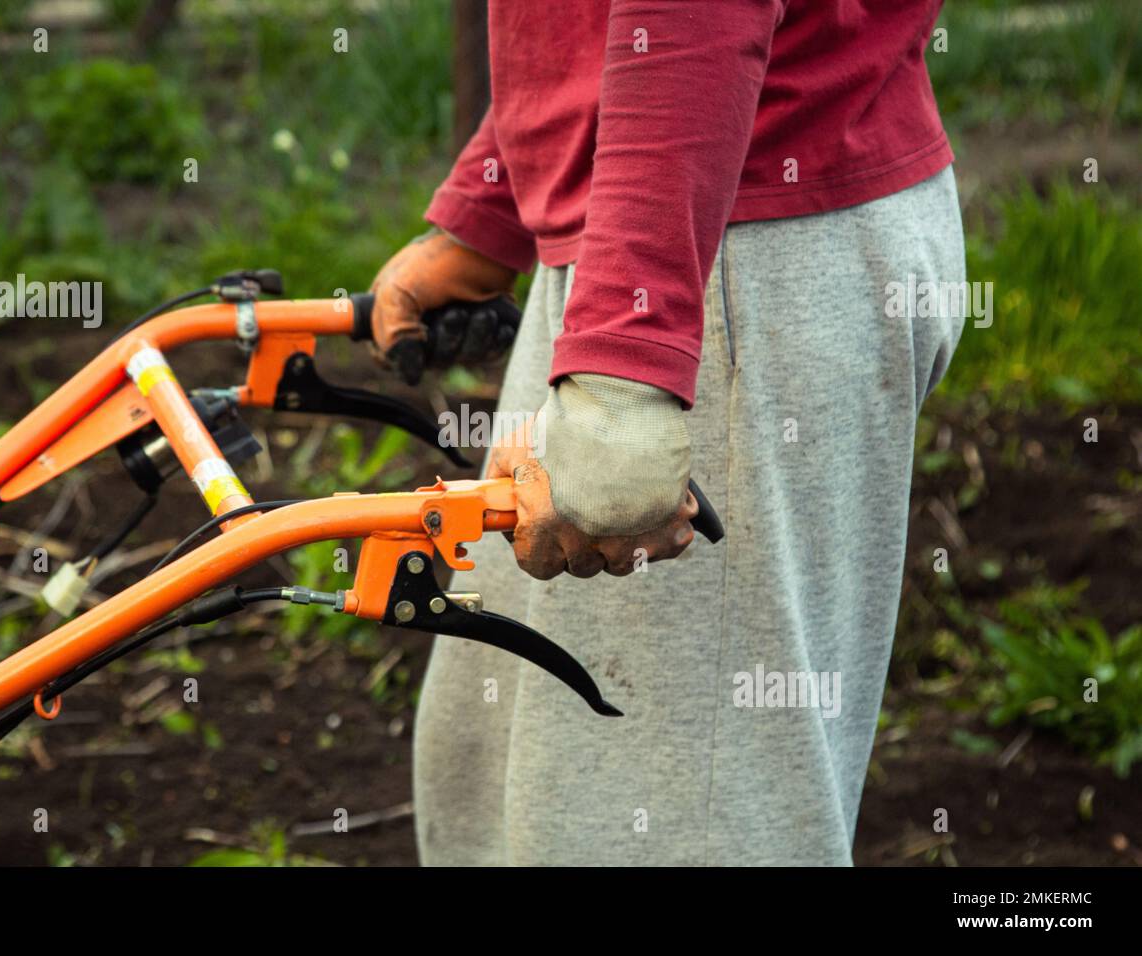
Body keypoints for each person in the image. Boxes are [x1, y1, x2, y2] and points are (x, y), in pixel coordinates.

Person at [366, 0, 966, 865]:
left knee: (662, 823)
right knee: (511, 778)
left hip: (721, 238)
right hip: (659, 225)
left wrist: (627, 371)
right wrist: (503, 190)